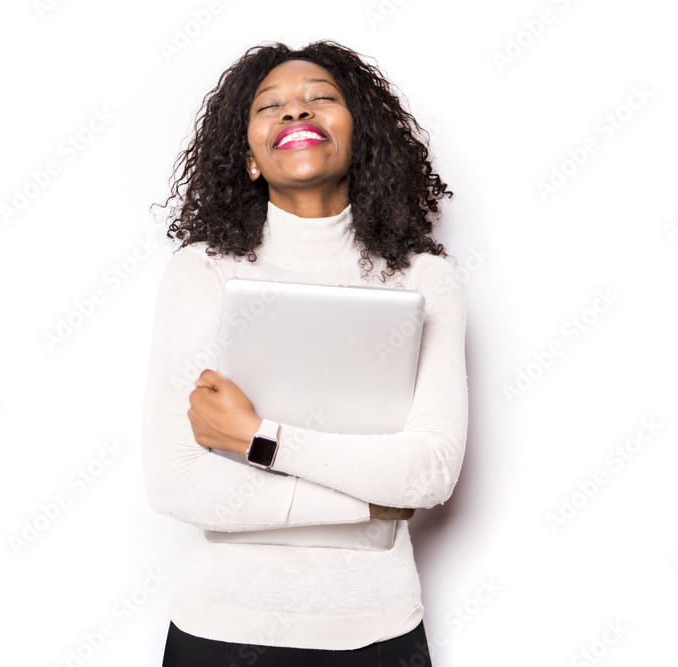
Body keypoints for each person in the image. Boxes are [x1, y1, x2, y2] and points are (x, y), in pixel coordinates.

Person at [142, 39, 468, 666]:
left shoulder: (426, 280)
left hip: (377, 630)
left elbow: (428, 472)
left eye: (321, 98)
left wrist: (255, 438)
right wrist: (370, 504)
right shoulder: (203, 271)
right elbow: (176, 482)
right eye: (271, 107)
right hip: (221, 628)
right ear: (249, 160)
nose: (296, 113)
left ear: (363, 139)